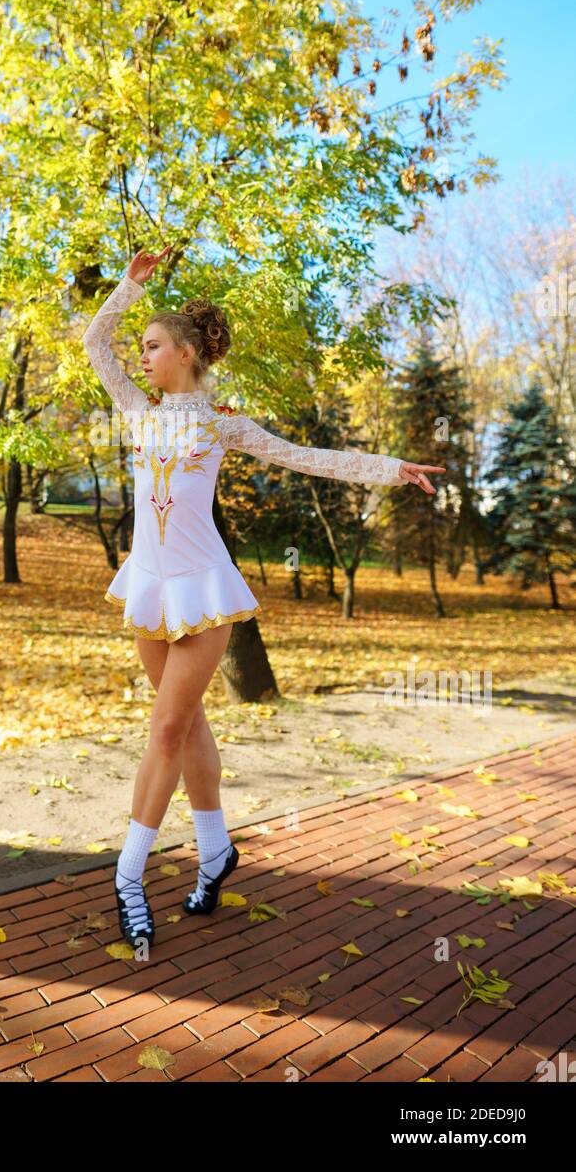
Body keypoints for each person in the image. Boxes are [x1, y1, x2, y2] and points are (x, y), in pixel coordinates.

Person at [81, 247, 445, 949]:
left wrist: (391, 469)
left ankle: (129, 875)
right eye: (143, 348)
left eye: (154, 346)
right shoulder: (136, 410)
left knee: (163, 731)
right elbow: (96, 340)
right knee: (183, 728)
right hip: (150, 589)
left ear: (186, 353)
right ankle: (216, 852)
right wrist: (130, 286)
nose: (143, 356)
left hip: (203, 591)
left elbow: (309, 456)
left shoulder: (222, 424)